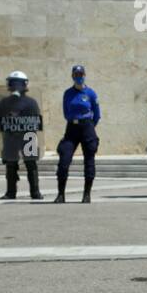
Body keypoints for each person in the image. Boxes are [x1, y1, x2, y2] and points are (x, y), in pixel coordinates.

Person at [55, 63, 100, 204]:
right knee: (64, 160)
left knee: (89, 160)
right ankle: (60, 194)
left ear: (84, 76)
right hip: (72, 128)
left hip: (87, 127)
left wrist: (89, 126)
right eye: (76, 75)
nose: (78, 77)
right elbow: (65, 111)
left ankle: (87, 194)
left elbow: (97, 114)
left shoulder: (91, 93)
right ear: (72, 76)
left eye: (81, 75)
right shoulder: (68, 93)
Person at [0, 71, 43, 200]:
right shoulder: (5, 102)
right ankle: (15, 192)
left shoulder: (29, 102)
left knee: (30, 164)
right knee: (13, 165)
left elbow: (35, 120)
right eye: (13, 83)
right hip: (13, 136)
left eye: (16, 83)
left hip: (27, 135)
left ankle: (33, 192)